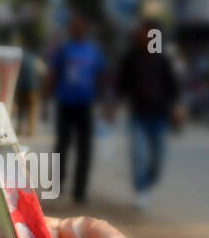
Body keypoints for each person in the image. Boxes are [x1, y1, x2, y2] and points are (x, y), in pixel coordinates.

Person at [117, 20, 182, 209]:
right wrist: (112, 104)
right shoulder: (131, 58)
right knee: (139, 156)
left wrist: (177, 107)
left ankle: (149, 183)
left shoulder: (162, 60)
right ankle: (141, 190)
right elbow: (121, 85)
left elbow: (173, 87)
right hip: (138, 115)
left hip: (159, 116)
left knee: (158, 159)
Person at [48, 13, 107, 204]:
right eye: (74, 25)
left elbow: (101, 77)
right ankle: (58, 183)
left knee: (84, 149)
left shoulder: (94, 51)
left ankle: (80, 191)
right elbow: (54, 74)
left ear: (86, 27)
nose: (77, 28)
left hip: (85, 106)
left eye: (80, 24)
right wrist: (44, 100)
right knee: (62, 146)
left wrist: (106, 102)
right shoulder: (64, 50)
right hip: (65, 104)